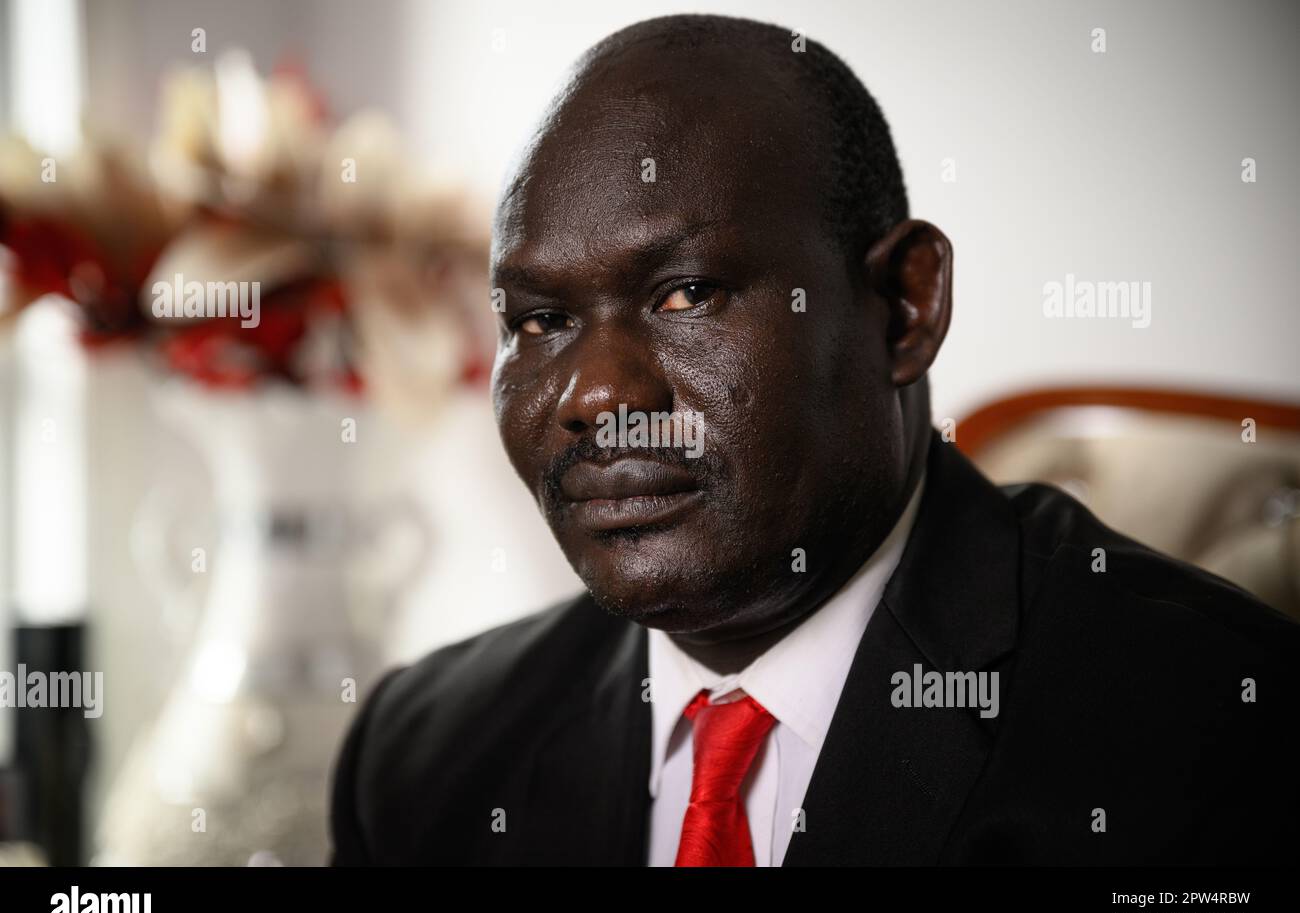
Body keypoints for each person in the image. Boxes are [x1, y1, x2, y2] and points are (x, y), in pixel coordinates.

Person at [329, 14, 1297, 866]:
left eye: (686, 294)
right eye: (539, 320)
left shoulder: (1213, 736)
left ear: (903, 306)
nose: (593, 392)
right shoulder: (422, 759)